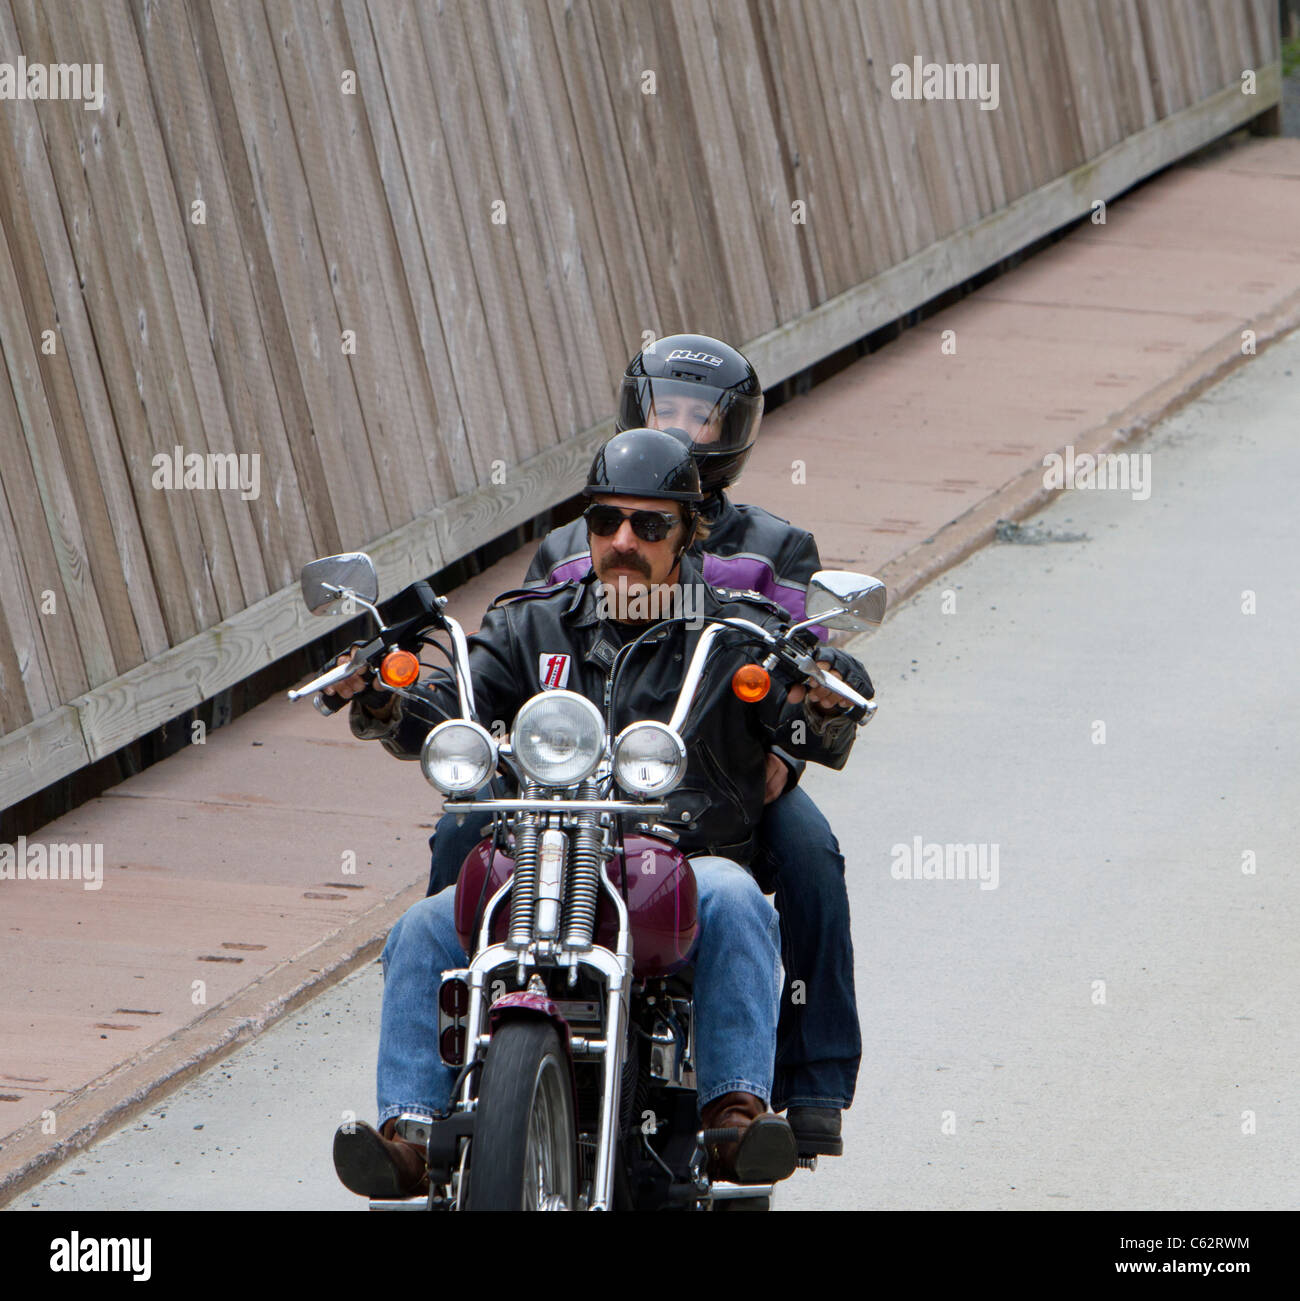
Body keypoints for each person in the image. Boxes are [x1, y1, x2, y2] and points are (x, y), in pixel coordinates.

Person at [326, 429, 873, 1196]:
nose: (623, 541)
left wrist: (825, 692)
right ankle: (413, 1131)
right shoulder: (532, 622)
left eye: (649, 525)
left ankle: (734, 1116)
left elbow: (802, 717)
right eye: (607, 519)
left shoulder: (735, 632)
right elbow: (461, 707)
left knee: (737, 897)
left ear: (689, 532)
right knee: (422, 926)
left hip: (680, 859)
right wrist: (389, 697)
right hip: (544, 856)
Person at [426, 335, 864, 1156]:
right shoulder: (567, 553)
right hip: (578, 788)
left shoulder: (775, 545)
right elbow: (513, 651)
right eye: (668, 410)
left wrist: (793, 734)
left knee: (807, 853)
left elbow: (805, 658)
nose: (622, 540)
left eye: (702, 415)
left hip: (720, 769)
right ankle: (455, 1053)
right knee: (459, 832)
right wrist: (410, 697)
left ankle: (805, 1083)